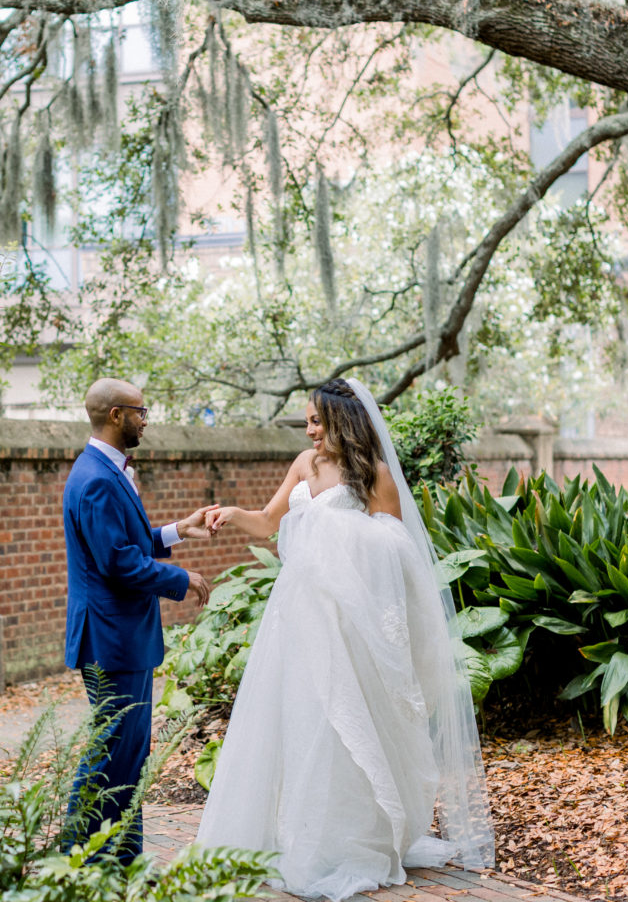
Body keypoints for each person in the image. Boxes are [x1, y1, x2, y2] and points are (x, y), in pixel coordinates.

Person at [195, 377, 494, 900]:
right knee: (301, 720)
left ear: (342, 421)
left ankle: (356, 838)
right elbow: (269, 522)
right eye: (307, 421)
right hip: (298, 619)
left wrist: (336, 535)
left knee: (346, 726)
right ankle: (305, 835)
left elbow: (396, 550)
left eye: (316, 420)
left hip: (351, 626)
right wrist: (229, 514)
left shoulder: (375, 474)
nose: (309, 430)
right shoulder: (304, 466)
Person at [62, 377, 214, 864]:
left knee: (129, 755)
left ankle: (119, 864)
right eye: (141, 412)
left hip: (122, 639)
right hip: (111, 640)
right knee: (111, 754)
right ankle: (75, 863)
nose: (145, 421)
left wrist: (177, 531)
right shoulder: (96, 479)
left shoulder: (105, 472)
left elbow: (126, 542)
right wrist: (178, 578)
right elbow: (117, 563)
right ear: (115, 415)